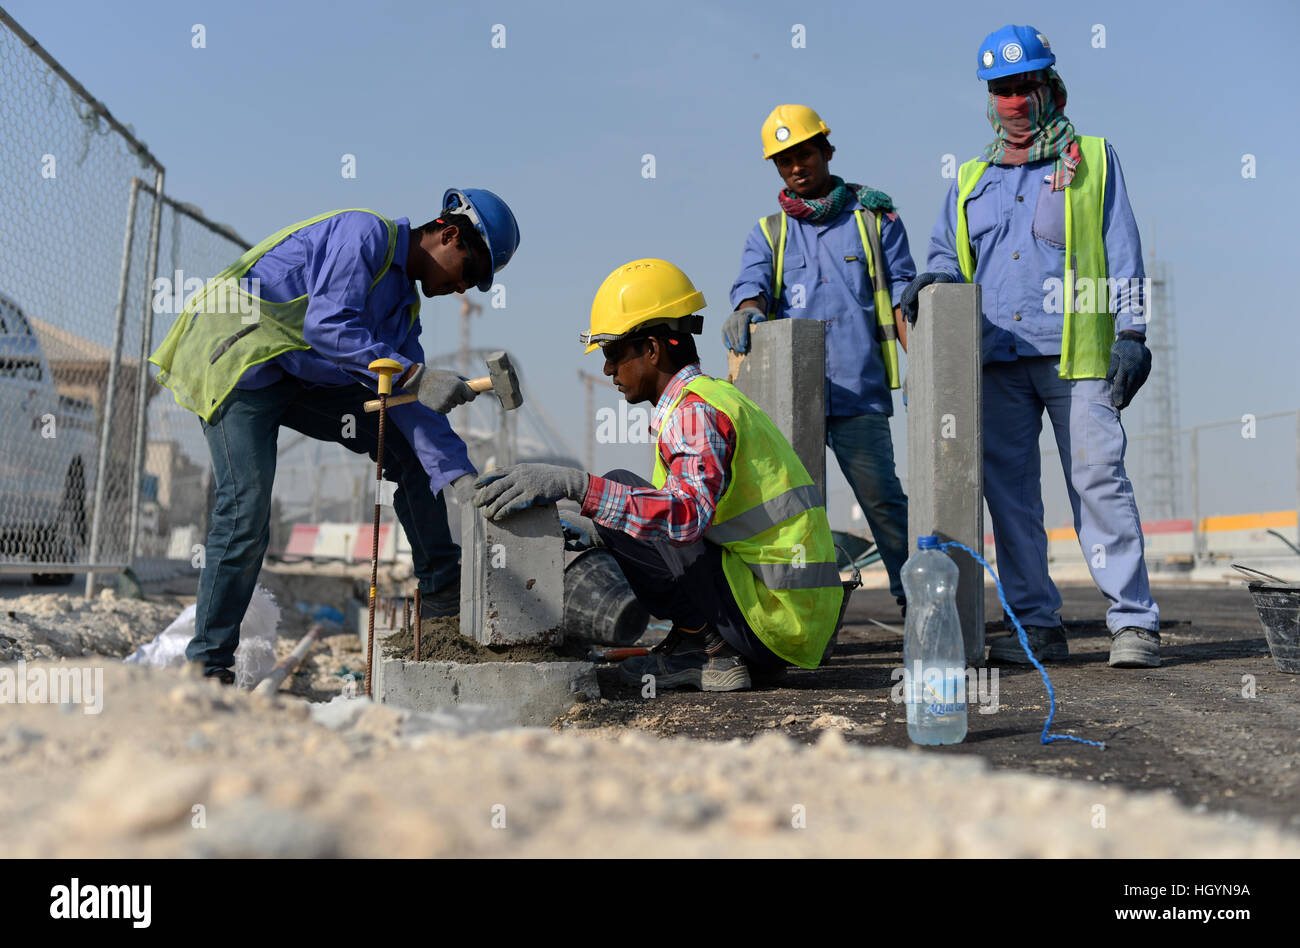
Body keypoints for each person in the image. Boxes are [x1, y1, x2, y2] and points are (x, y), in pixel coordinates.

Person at [149, 189, 521, 683]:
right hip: (236, 358)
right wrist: (415, 377)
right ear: (450, 234)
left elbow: (413, 410)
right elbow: (327, 326)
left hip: (291, 376)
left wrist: (462, 480)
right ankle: (207, 669)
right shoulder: (364, 233)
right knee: (245, 512)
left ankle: (442, 600)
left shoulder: (403, 313)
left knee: (407, 443)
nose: (462, 288)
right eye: (468, 273)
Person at [902, 24, 1159, 668]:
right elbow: (944, 257)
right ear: (990, 99)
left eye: (1025, 86)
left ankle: (1133, 622)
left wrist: (1133, 333)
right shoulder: (970, 178)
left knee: (1099, 480)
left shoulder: (1094, 160)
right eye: (1002, 91)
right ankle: (1038, 625)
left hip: (1081, 356)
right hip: (995, 361)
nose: (1015, 101)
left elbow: (1124, 253)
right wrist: (931, 280)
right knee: (1010, 497)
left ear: (1050, 87)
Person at [471, 259, 843, 691]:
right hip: (788, 616)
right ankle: (717, 645)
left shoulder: (693, 413)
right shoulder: (713, 397)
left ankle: (708, 649)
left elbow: (685, 517)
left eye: (613, 354)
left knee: (621, 485)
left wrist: (577, 487)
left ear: (652, 349)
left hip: (773, 616)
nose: (608, 370)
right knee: (624, 500)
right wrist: (601, 529)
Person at [725, 104, 916, 615]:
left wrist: (923, 365)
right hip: (793, 401)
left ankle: (916, 604)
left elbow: (903, 296)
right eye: (782, 160)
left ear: (826, 150)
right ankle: (804, 616)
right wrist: (746, 311)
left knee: (883, 502)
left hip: (860, 392)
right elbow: (752, 288)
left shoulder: (874, 219)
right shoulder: (769, 233)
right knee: (794, 514)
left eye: (803, 153)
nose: (794, 166)